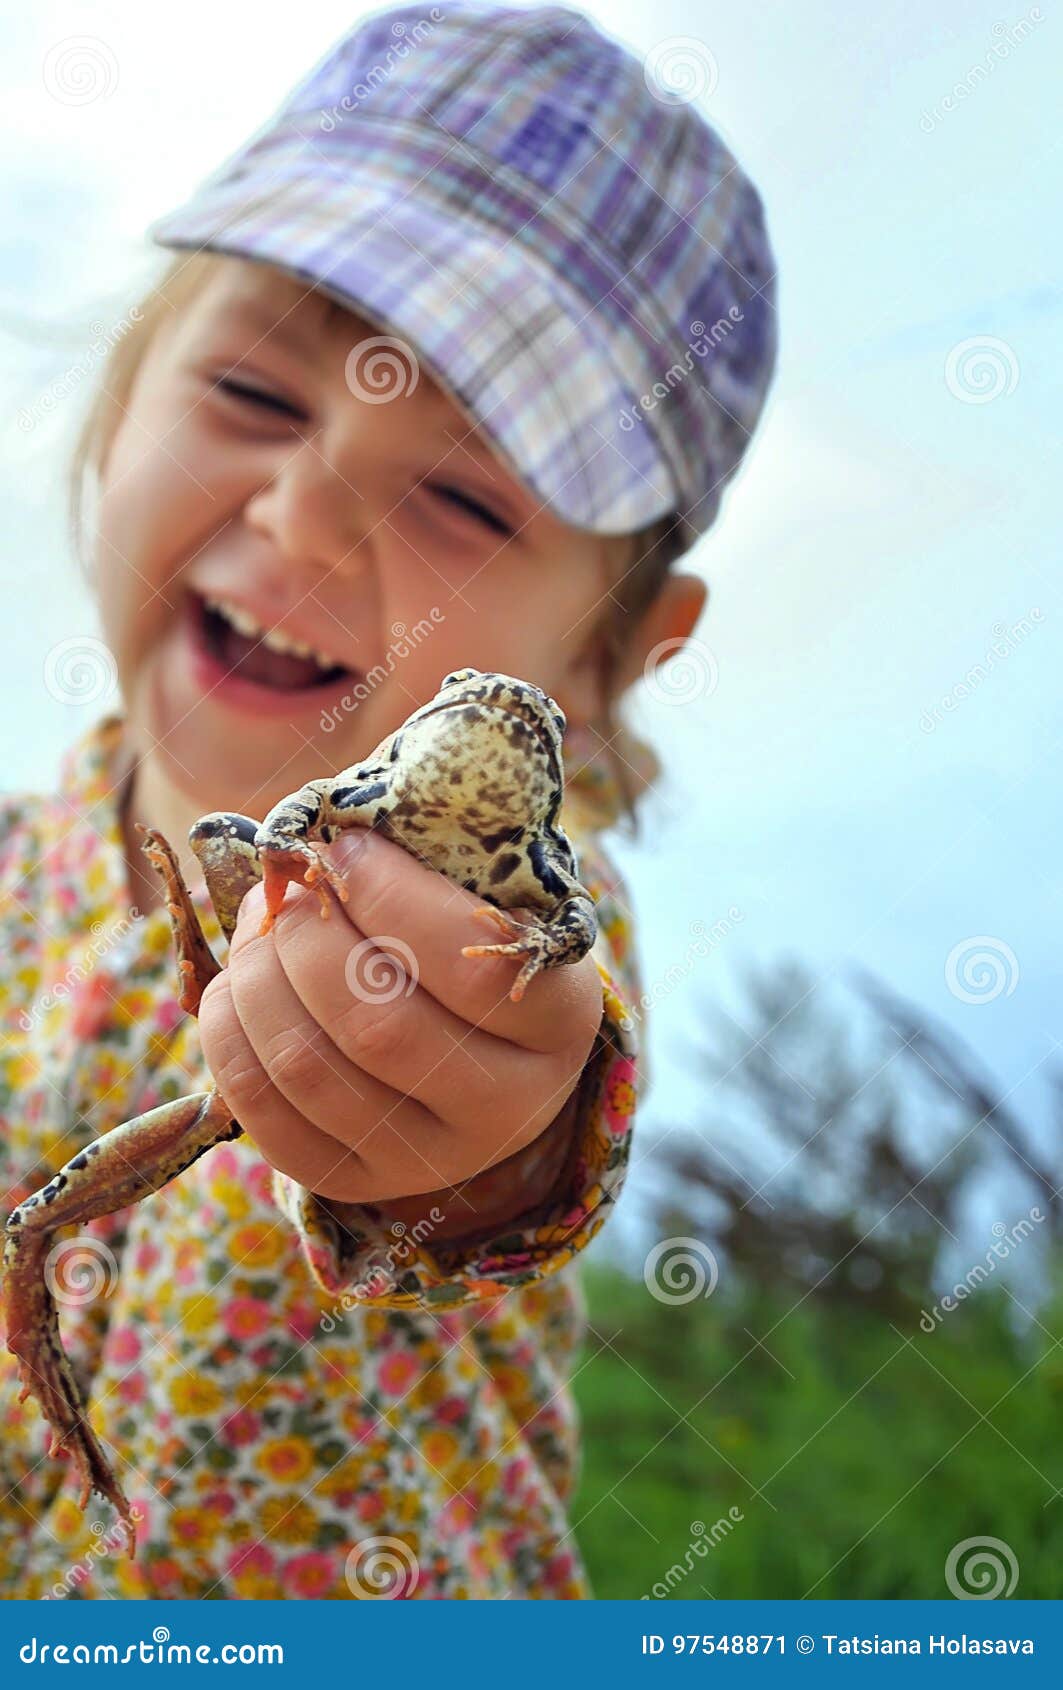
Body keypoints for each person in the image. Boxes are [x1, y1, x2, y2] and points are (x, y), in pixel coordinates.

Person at [0, 3, 776, 1598]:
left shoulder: (497, 900)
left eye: (464, 497)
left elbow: (521, 1089)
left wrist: (473, 1126)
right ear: (124, 391)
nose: (305, 516)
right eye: (254, 397)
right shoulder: (19, 871)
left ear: (621, 650)